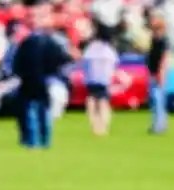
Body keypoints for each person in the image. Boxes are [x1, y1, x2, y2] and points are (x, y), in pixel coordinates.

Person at [11, 5, 69, 149]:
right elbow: (61, 60)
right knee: (43, 112)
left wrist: (21, 74)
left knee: (29, 112)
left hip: (29, 82)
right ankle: (45, 140)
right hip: (44, 81)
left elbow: (16, 63)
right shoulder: (52, 42)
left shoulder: (25, 42)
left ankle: (32, 141)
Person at [81, 25, 118, 136]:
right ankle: (103, 126)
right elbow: (114, 63)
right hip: (104, 79)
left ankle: (95, 125)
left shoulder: (91, 48)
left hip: (91, 79)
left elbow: (85, 62)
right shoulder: (108, 49)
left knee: (92, 101)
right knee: (103, 102)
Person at [146, 12, 168, 134]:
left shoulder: (162, 41)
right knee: (155, 100)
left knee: (158, 100)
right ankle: (158, 124)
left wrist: (161, 72)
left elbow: (164, 58)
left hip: (158, 73)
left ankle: (159, 126)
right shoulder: (155, 40)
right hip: (153, 72)